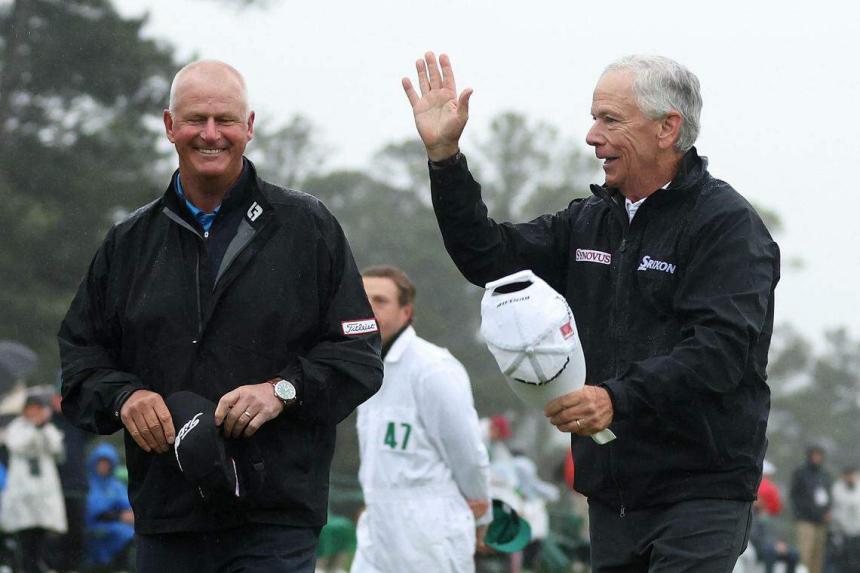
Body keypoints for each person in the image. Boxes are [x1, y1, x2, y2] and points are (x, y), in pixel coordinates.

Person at [403, 52, 780, 572]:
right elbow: (488, 258)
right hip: (612, 491)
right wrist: (445, 159)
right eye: (594, 118)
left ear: (667, 128)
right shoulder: (588, 220)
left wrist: (614, 398)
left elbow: (719, 354)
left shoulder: (727, 225)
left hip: (701, 492)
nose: (591, 136)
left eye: (610, 120)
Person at [58, 60, 383, 573]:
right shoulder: (128, 243)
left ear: (248, 127)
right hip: (167, 515)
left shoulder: (308, 227)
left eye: (225, 120)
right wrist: (124, 398)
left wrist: (281, 391)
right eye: (195, 119)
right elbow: (80, 362)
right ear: (170, 126)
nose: (210, 134)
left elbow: (359, 355)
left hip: (275, 516)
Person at [351, 265, 490, 573]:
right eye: (362, 300)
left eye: (380, 301)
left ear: (406, 312)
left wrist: (482, 508)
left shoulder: (433, 367)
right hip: (376, 530)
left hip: (430, 533)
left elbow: (467, 451)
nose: (368, 310)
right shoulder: (363, 368)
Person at [0, 393, 67, 573]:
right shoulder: (16, 427)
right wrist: (35, 428)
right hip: (23, 491)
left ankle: (39, 566)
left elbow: (57, 449)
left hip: (43, 492)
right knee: (24, 536)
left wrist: (42, 427)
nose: (34, 412)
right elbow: (18, 445)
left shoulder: (48, 428)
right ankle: (25, 567)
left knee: (42, 535)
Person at [85, 443, 134, 570]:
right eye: (101, 462)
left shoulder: (116, 485)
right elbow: (94, 511)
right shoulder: (88, 484)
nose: (104, 466)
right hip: (97, 526)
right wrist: (120, 516)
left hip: (119, 523)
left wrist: (129, 514)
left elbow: (126, 504)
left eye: (107, 463)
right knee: (124, 534)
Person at [790, 445, 832, 573]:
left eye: (819, 455)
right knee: (804, 554)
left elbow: (828, 496)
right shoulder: (801, 473)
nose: (817, 458)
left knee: (818, 556)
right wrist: (800, 513)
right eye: (814, 455)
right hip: (805, 520)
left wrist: (827, 512)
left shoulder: (825, 475)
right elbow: (794, 495)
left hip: (821, 521)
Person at [831, 466, 860, 572]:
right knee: (844, 562)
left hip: (857, 531)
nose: (850, 478)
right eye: (848, 475)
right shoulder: (837, 489)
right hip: (843, 532)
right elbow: (835, 510)